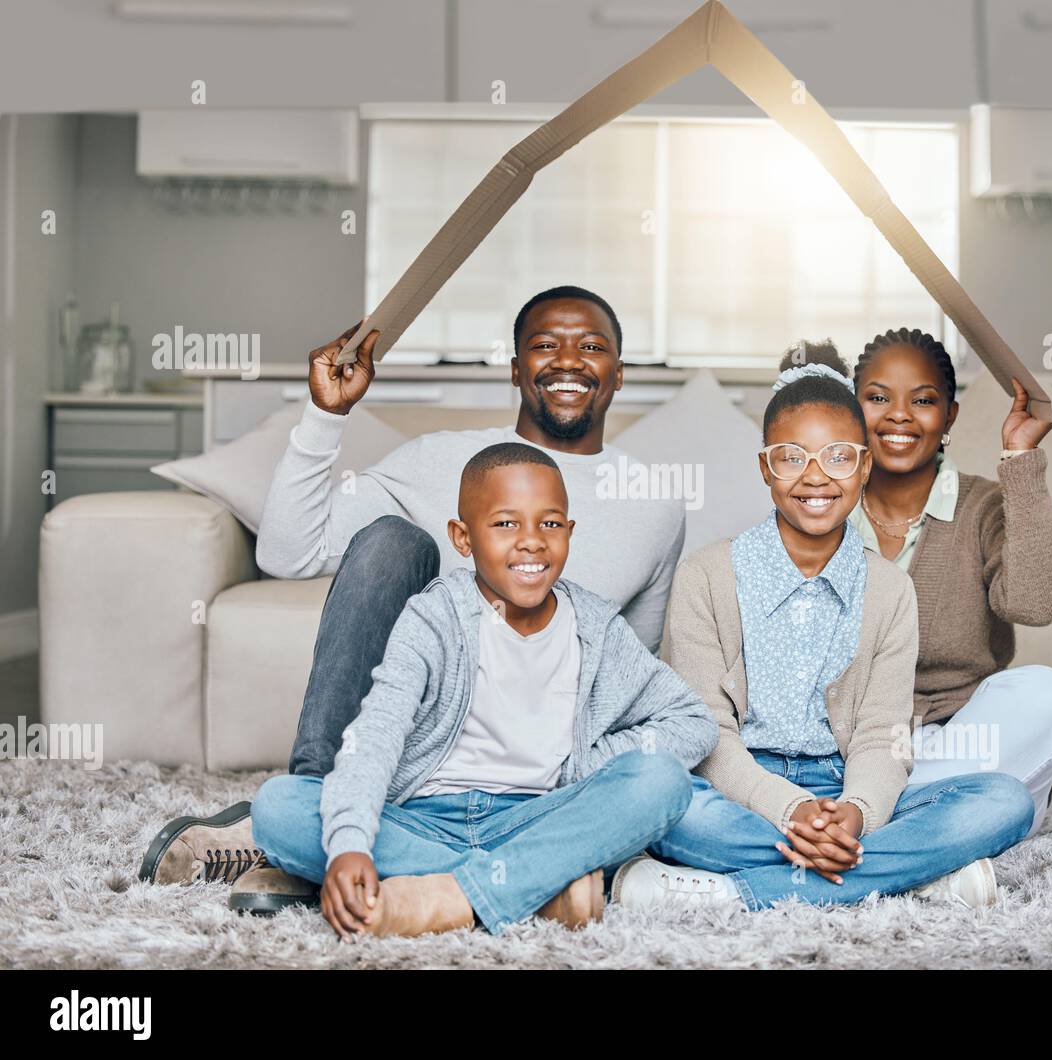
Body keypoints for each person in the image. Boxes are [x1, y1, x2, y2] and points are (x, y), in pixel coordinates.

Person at [137, 286, 686, 911]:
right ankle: (499, 867)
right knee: (391, 544)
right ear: (514, 369)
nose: (567, 360)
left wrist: (585, 772)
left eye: (591, 346)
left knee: (662, 789)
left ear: (619, 372)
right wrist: (325, 416)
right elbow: (286, 553)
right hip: (410, 777)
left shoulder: (656, 506)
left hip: (537, 793)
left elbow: (633, 679)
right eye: (543, 345)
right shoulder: (440, 461)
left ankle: (334, 865)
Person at [613, 357, 1035, 913]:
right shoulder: (706, 575)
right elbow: (707, 736)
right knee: (655, 796)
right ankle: (904, 876)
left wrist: (855, 811)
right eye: (792, 458)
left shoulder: (888, 589)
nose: (815, 477)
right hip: (739, 790)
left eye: (838, 458)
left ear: (864, 469)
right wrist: (791, 810)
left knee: (1003, 801)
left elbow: (883, 735)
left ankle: (729, 894)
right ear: (765, 468)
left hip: (845, 786)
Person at [248, 443, 717, 938]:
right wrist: (349, 845)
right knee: (280, 807)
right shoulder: (435, 617)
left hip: (536, 817)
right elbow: (378, 731)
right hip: (423, 819)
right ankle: (538, 888)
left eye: (550, 524)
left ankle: (452, 897)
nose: (532, 542)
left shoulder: (596, 627)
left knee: (661, 781)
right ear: (462, 538)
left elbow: (691, 722)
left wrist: (580, 763)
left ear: (570, 533)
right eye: (506, 524)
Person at [844, 330, 1052, 838]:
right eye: (878, 398)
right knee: (999, 806)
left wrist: (1021, 461)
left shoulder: (983, 506)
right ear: (853, 406)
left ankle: (876, 827)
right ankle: (939, 837)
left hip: (963, 743)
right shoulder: (824, 505)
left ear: (949, 416)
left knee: (1049, 695)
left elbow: (1035, 604)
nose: (899, 415)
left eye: (923, 400)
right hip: (853, 748)